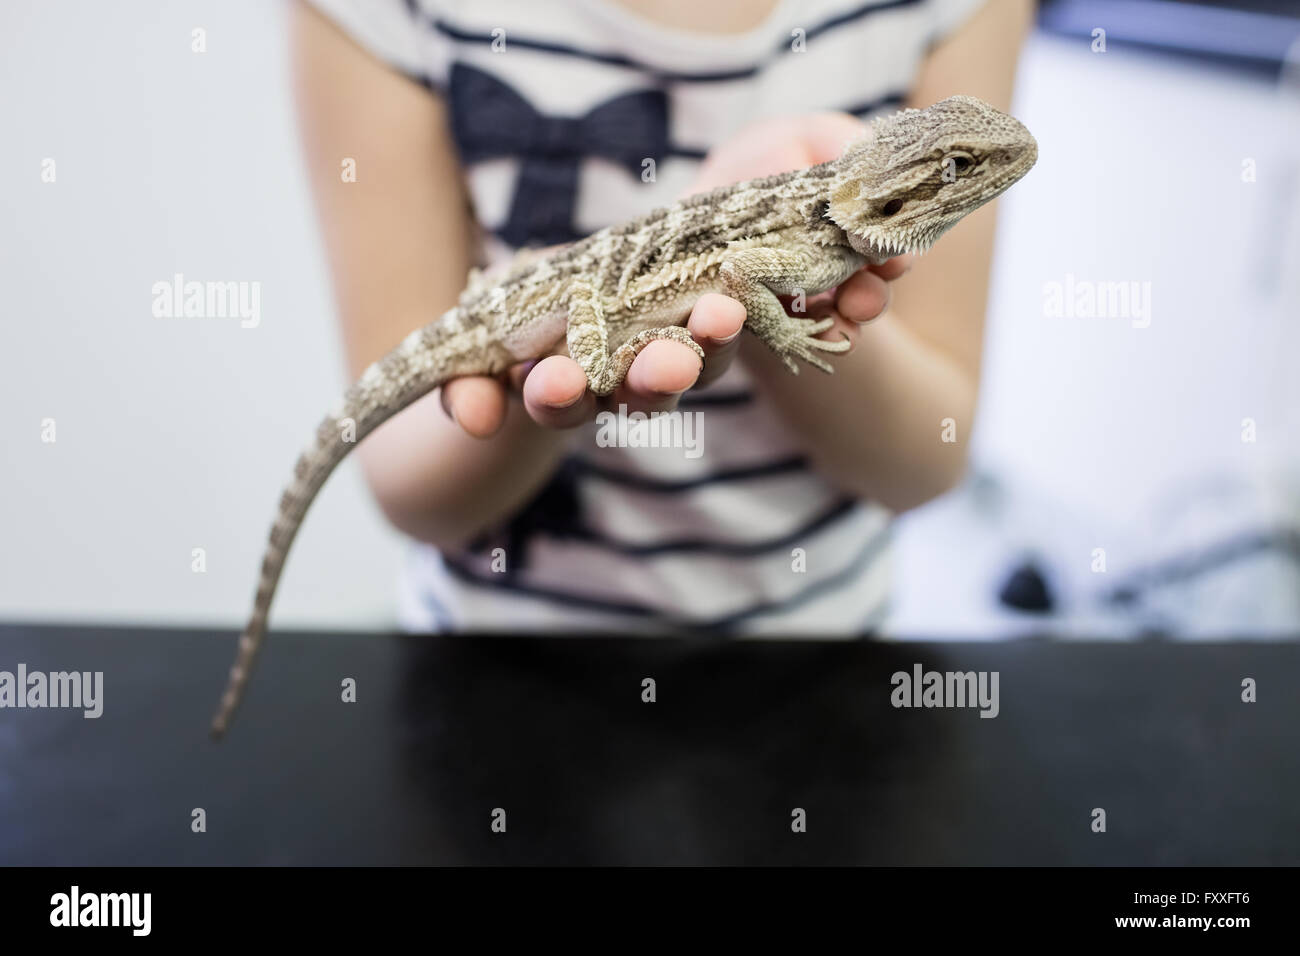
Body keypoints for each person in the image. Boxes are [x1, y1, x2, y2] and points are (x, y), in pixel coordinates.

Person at [292, 0, 1033, 633]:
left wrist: (807, 343)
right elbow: (743, 273)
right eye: (955, 169)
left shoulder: (840, 221)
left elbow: (932, 465)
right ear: (894, 196)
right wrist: (783, 330)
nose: (986, 172)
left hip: (822, 640)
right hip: (496, 646)